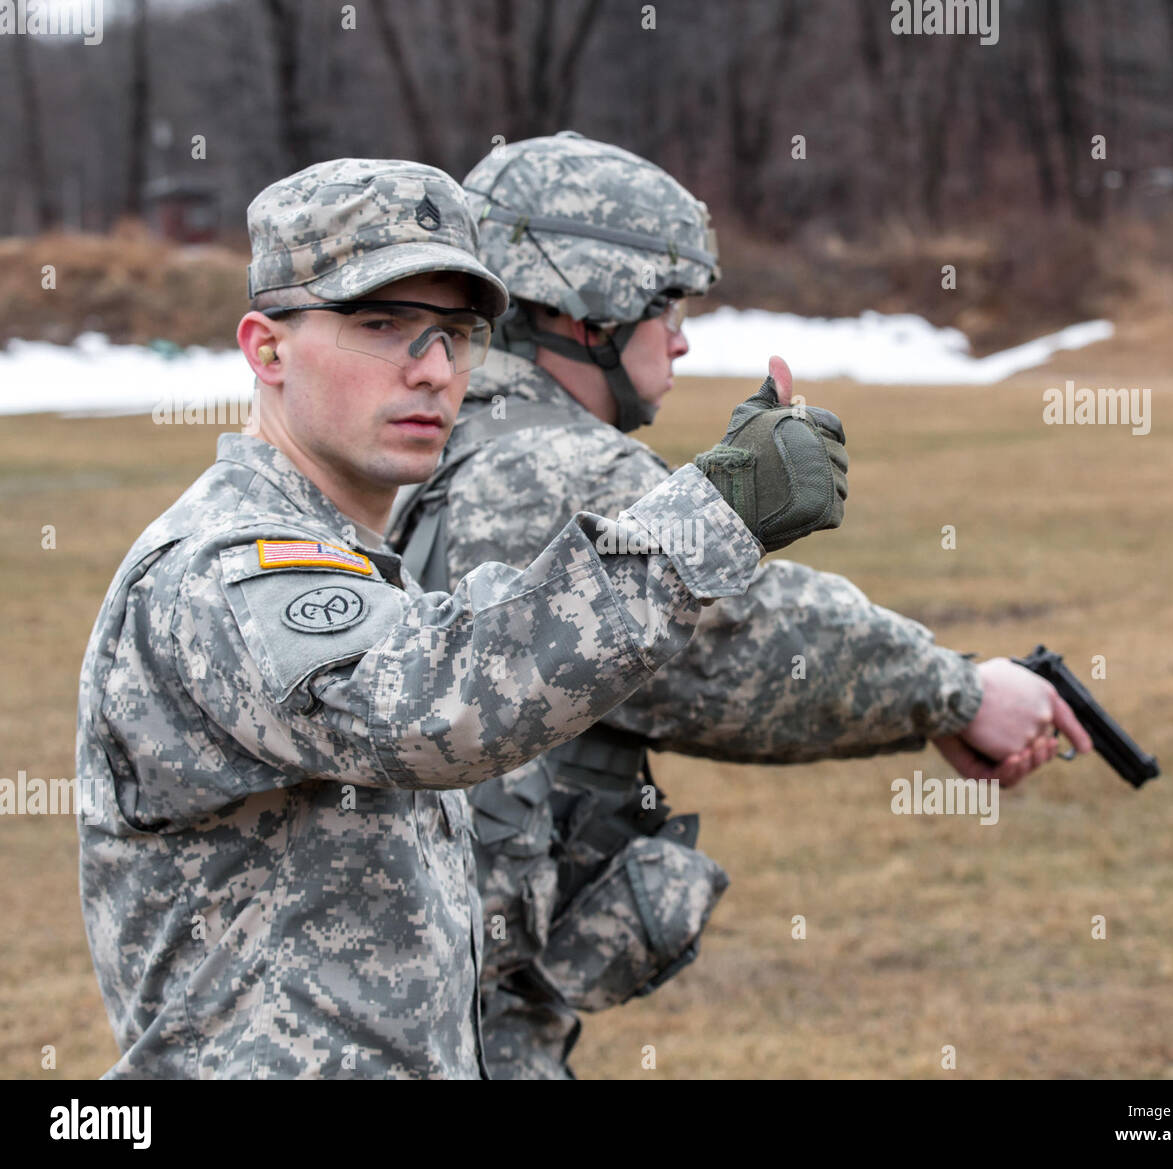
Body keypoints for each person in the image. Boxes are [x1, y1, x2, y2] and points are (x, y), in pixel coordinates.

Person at [74, 157, 848, 1079]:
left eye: (456, 332)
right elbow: (433, 705)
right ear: (266, 348)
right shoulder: (218, 570)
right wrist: (706, 518)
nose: (434, 368)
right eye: (383, 325)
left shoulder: (352, 557)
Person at [387, 133, 1092, 1079]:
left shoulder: (445, 439)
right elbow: (739, 643)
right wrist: (959, 692)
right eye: (665, 305)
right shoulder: (557, 466)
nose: (680, 337)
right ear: (588, 307)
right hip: (468, 1029)